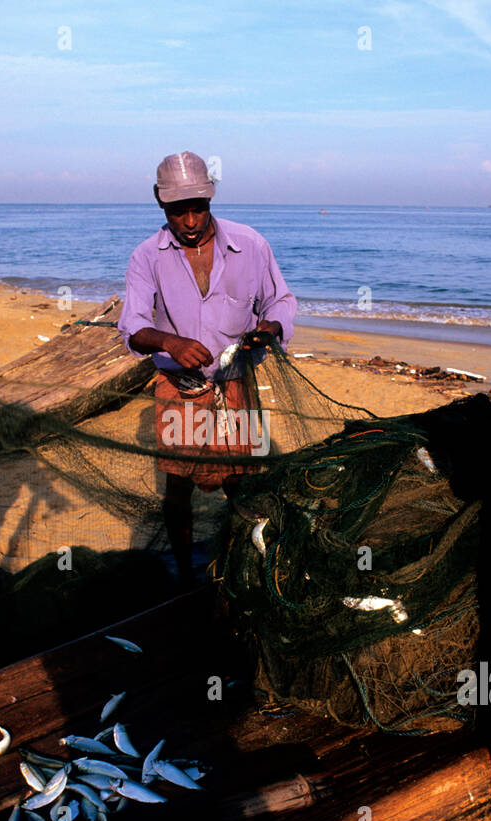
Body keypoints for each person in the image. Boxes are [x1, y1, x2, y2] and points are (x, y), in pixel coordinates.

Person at [119, 151, 296, 585]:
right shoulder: (147, 257)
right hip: (180, 390)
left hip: (237, 385)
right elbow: (132, 326)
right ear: (161, 205)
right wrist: (169, 342)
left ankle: (249, 569)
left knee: (243, 482)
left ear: (211, 200)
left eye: (198, 208)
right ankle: (183, 576)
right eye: (179, 211)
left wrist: (269, 327)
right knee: (178, 487)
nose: (191, 221)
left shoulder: (251, 245)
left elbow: (281, 302)